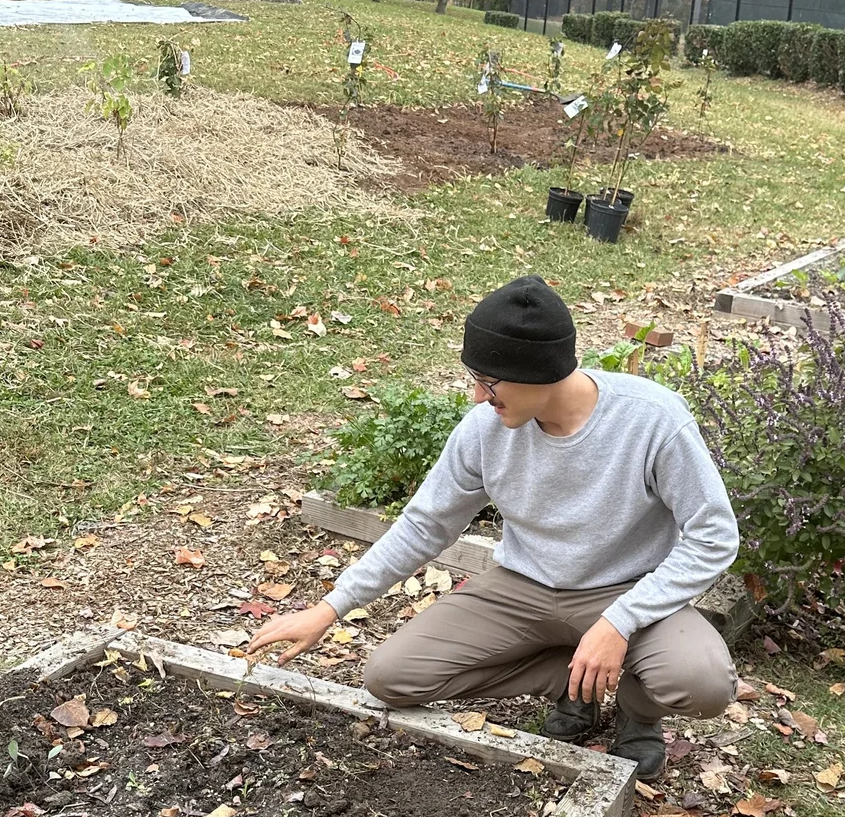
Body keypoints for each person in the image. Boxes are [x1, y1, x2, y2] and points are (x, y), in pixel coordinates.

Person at [246, 277, 740, 781]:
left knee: (701, 683)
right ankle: (572, 682)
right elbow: (424, 525)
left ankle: (638, 712)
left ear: (540, 371)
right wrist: (330, 608)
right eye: (475, 378)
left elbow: (714, 536)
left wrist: (620, 622)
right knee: (391, 677)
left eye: (490, 381)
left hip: (624, 589)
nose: (479, 395)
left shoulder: (651, 420)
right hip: (523, 587)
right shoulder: (484, 429)